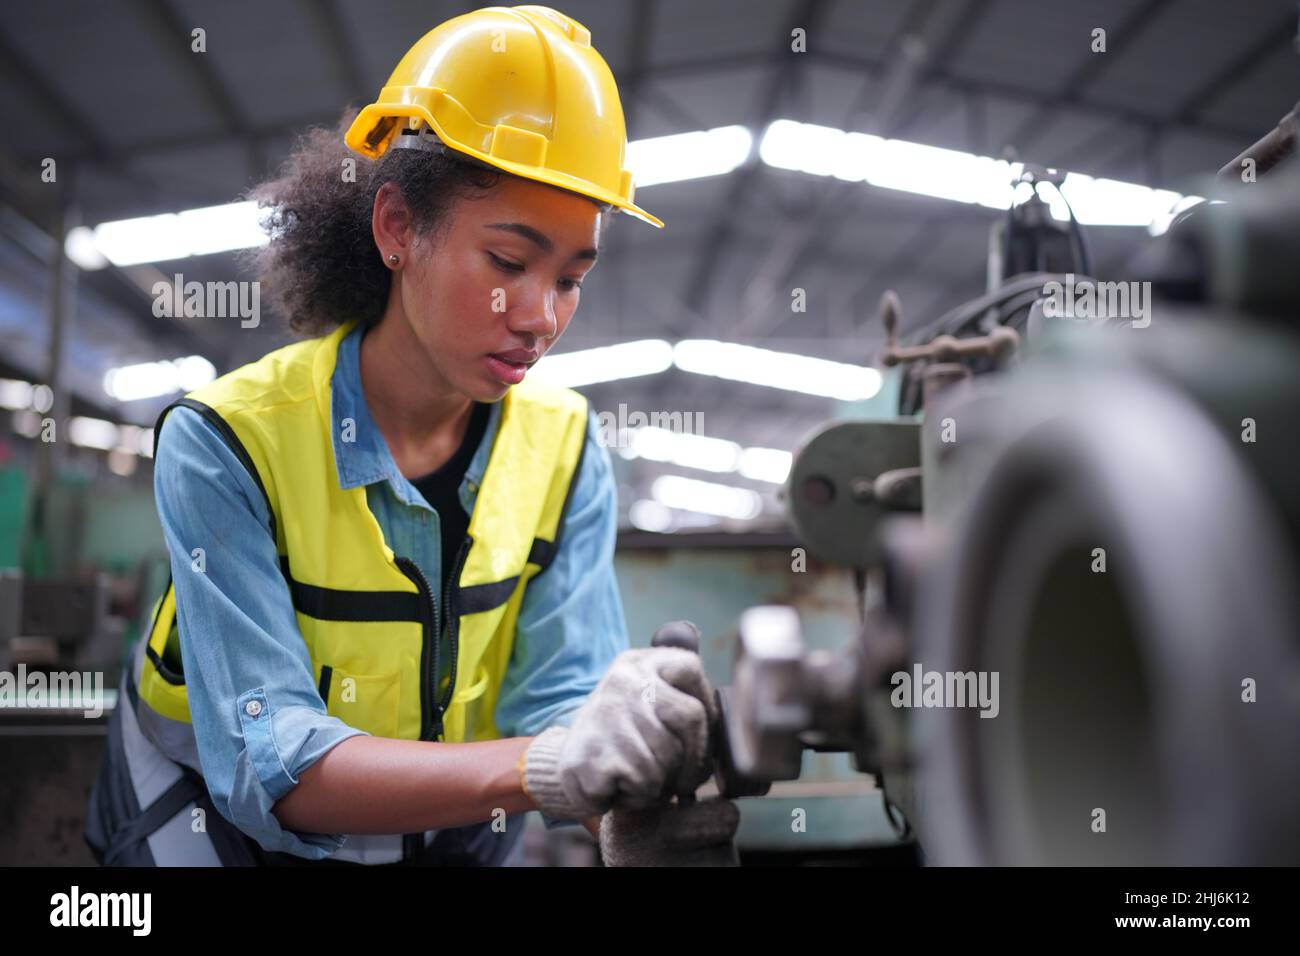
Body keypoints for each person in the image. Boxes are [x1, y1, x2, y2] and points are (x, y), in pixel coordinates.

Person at [84, 4, 715, 867]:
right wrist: (543, 767)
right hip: (210, 825)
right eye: (507, 263)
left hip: (454, 824)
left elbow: (561, 700)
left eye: (571, 278)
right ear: (395, 229)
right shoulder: (228, 443)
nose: (540, 318)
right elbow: (276, 768)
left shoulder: (564, 449)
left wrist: (628, 786)